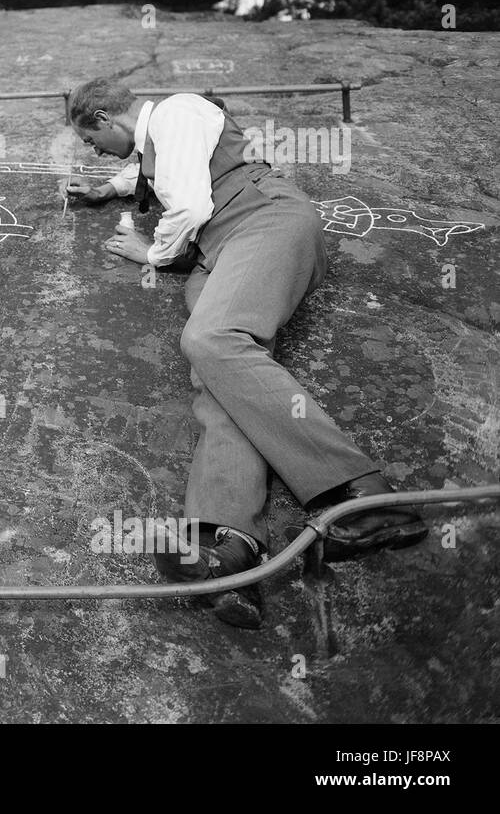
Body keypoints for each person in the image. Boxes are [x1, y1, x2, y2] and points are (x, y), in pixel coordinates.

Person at [61, 79, 426, 629]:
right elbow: (143, 174)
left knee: (211, 340)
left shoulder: (178, 112)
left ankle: (361, 497)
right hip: (218, 255)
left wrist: (153, 254)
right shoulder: (154, 144)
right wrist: (105, 192)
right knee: (217, 376)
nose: (91, 151)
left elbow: (187, 200)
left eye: (90, 140)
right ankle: (227, 543)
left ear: (106, 117)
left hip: (264, 222)